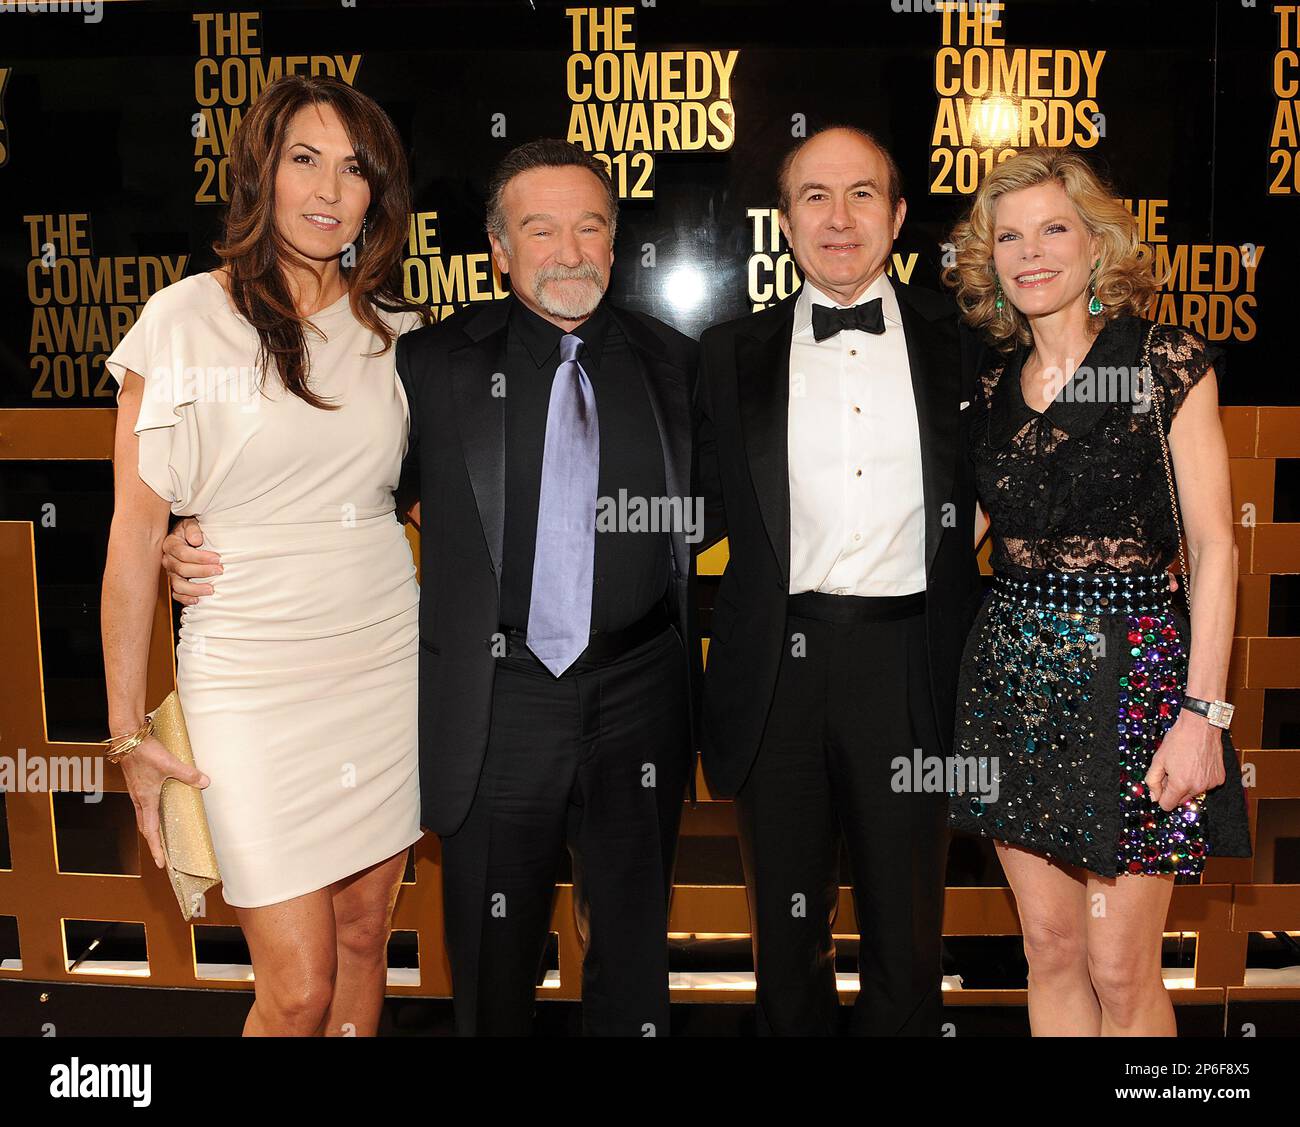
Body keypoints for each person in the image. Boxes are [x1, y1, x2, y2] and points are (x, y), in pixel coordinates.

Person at [164, 138, 699, 1037]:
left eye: (590, 227)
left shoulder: (677, 366)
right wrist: (201, 530)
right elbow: (347, 476)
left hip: (641, 691)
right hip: (496, 699)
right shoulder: (429, 364)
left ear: (615, 243)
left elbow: (730, 504)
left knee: (636, 957)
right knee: (491, 970)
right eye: (540, 229)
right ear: (498, 249)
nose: (568, 250)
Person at [101, 75, 428, 1036]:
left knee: (367, 940)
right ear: (261, 175)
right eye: (304, 160)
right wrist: (126, 737)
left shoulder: (394, 335)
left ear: (379, 196)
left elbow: (431, 504)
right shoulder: (184, 318)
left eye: (354, 168)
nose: (328, 189)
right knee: (297, 988)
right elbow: (129, 539)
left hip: (381, 662)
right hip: (248, 676)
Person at [943, 147, 1252, 1036]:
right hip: (1013, 684)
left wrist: (1205, 715)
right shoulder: (993, 388)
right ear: (989, 261)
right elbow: (952, 542)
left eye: (1053, 228)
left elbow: (1215, 548)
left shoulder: (1163, 361)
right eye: (1009, 236)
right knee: (1049, 947)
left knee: (1121, 966)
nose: (1031, 251)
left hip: (1138, 684)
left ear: (1096, 245)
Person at [693, 125, 985, 1035]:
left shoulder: (969, 344)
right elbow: (681, 507)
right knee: (786, 935)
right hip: (773, 669)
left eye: (863, 193)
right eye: (815, 196)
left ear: (898, 217)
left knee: (906, 934)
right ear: (784, 220)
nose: (839, 216)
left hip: (910, 664)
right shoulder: (726, 354)